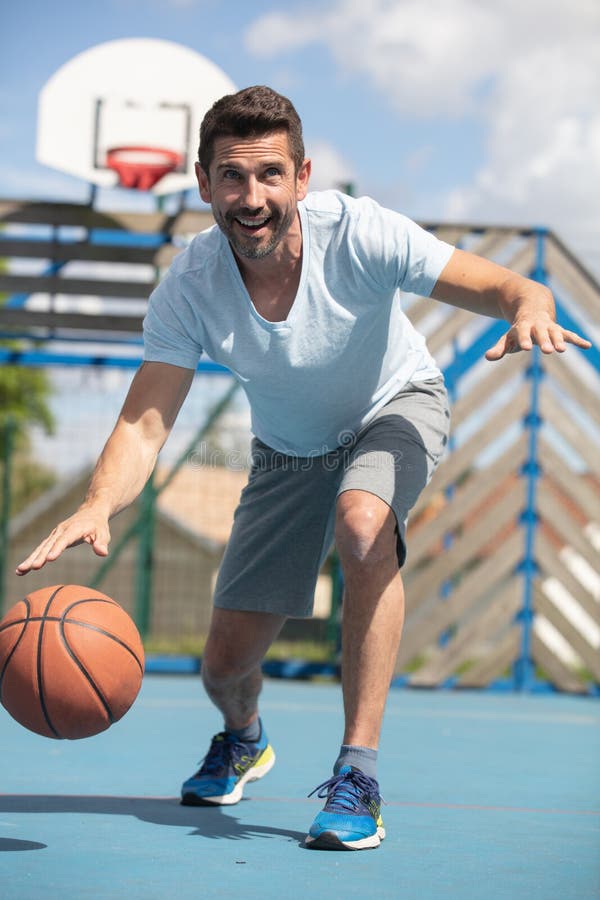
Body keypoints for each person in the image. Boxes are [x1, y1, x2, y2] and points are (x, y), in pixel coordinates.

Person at [16, 86, 591, 851]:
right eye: (232, 176)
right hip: (288, 452)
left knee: (364, 523)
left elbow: (504, 284)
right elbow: (146, 423)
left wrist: (529, 307)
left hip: (394, 405)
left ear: (302, 176)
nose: (251, 197)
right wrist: (98, 503)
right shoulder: (190, 286)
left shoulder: (360, 234)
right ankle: (244, 738)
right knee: (224, 668)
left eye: (270, 175)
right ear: (204, 182)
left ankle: (358, 773)